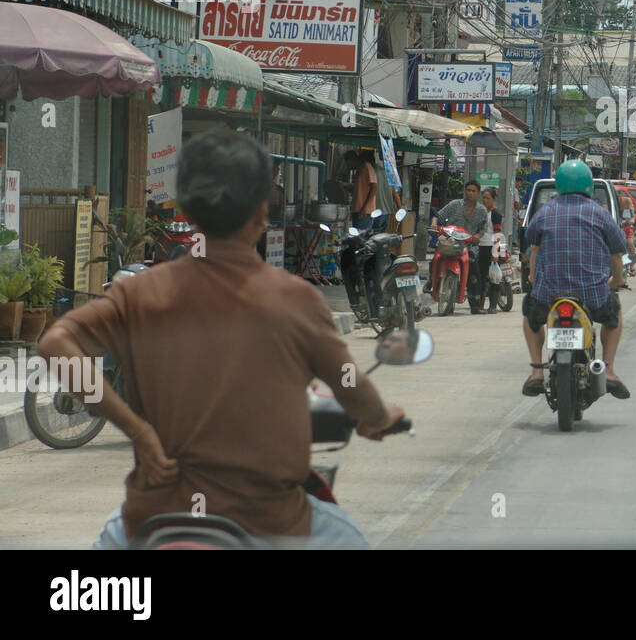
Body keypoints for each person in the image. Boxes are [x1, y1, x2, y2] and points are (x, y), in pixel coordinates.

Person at [39, 131, 405, 549]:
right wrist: (377, 416)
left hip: (155, 519)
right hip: (271, 523)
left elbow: (56, 345)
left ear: (188, 213)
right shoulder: (297, 300)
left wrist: (136, 430)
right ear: (260, 213)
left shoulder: (140, 293)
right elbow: (352, 387)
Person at [521, 160, 629, 400]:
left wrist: (533, 276)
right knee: (614, 315)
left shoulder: (544, 212)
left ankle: (537, 372)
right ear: (588, 185)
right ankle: (609, 370)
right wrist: (617, 281)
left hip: (549, 294)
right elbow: (617, 256)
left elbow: (534, 247)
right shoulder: (600, 213)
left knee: (531, 316)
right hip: (592, 295)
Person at [432, 179, 490, 313]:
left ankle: (475, 305)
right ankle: (431, 283)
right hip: (448, 242)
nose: (470, 193)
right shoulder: (454, 204)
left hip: (467, 246)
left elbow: (482, 230)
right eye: (468, 190)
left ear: (478, 193)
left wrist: (477, 238)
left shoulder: (481, 210)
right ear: (465, 191)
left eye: (473, 191)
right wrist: (434, 223)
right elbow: (438, 215)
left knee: (474, 273)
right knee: (434, 261)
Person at [479, 188, 502, 313]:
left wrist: (495, 252)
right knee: (481, 276)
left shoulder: (495, 214)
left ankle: (493, 305)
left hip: (492, 247)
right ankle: (480, 304)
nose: (485, 200)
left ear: (493, 199)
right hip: (481, 246)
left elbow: (497, 234)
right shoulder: (480, 212)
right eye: (484, 198)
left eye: (488, 198)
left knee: (494, 278)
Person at [346, 149, 379, 232]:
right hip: (357, 210)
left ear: (353, 160)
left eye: (348, 163)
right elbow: (361, 190)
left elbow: (374, 187)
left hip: (365, 212)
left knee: (361, 239)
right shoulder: (358, 170)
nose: (348, 166)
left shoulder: (367, 167)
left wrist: (365, 208)